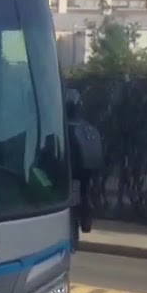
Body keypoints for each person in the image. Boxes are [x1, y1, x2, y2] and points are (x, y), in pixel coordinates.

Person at [65, 89, 104, 248]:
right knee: (85, 194)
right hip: (87, 171)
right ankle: (86, 221)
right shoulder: (87, 127)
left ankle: (75, 226)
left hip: (70, 172)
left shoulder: (64, 126)